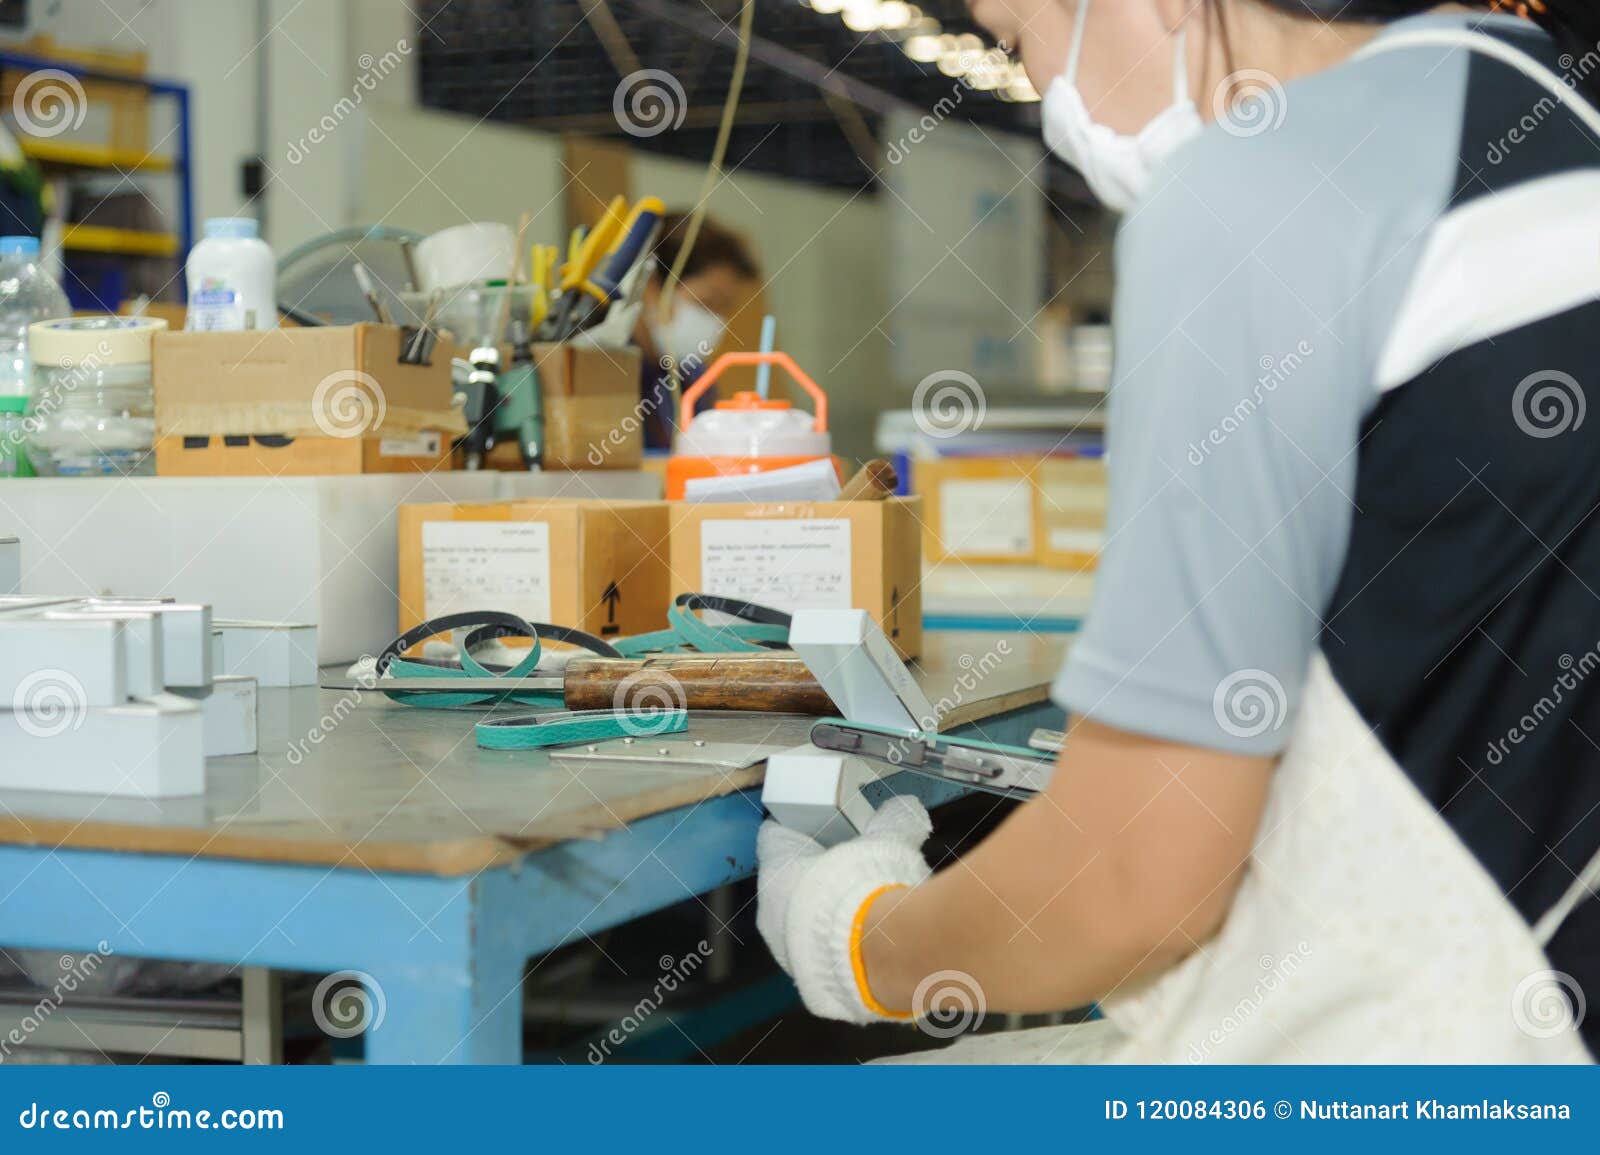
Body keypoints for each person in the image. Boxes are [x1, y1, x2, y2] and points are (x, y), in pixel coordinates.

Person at [757, 0, 1600, 1062]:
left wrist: (855, 940)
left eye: (1019, 43)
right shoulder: (1552, 115)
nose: (1046, 99)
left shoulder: (1254, 191)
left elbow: (1133, 883)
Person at [632, 212, 761, 449]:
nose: (717, 322)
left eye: (724, 309)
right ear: (651, 287)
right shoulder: (604, 369)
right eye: (708, 302)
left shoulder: (693, 376)